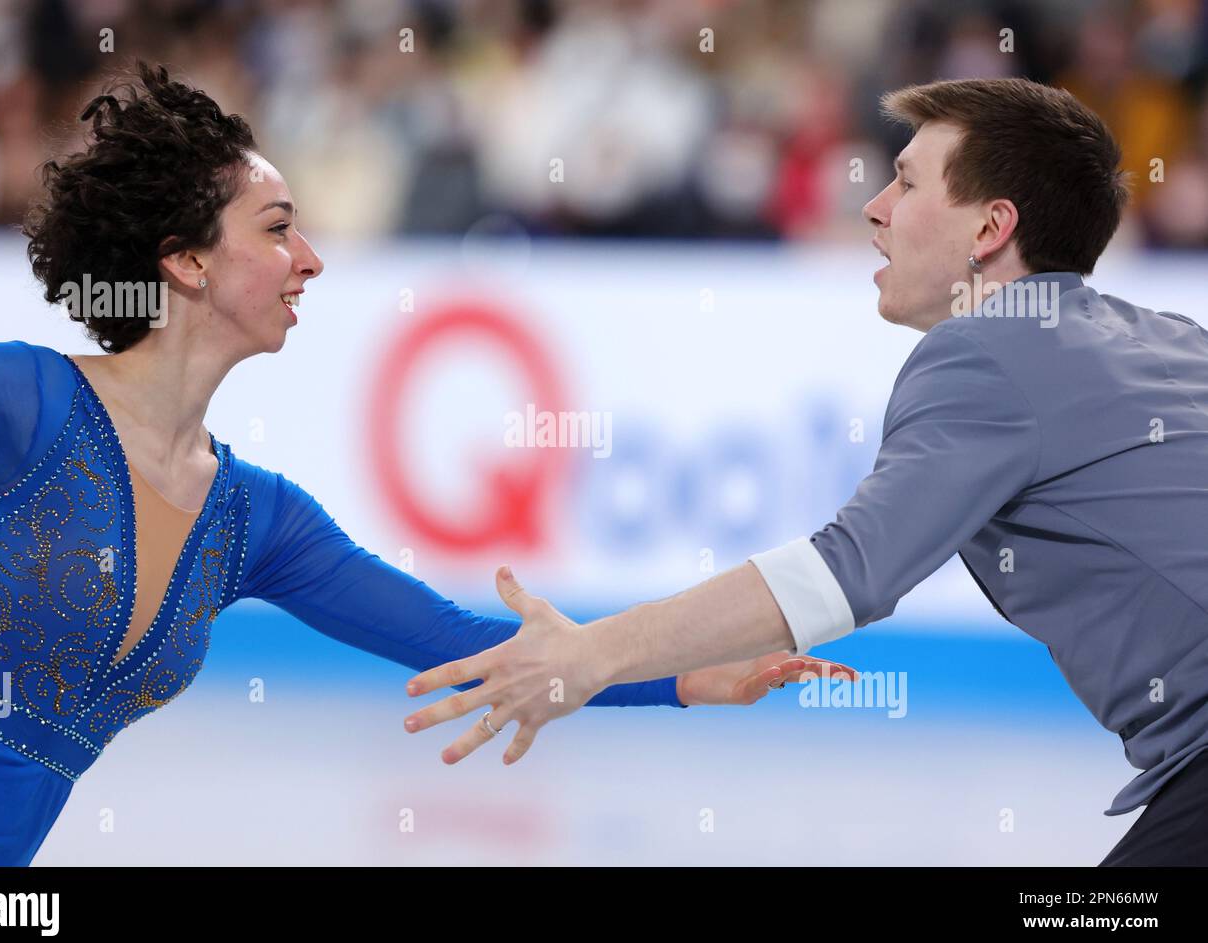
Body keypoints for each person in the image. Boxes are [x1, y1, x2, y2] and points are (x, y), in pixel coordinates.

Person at [0, 61, 855, 867]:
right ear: (188, 263)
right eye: (277, 228)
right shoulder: (14, 399)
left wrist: (690, 679)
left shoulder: (252, 520)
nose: (310, 260)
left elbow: (450, 640)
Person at [405, 77, 1208, 866]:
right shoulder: (1172, 339)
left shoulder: (987, 349)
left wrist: (590, 655)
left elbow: (842, 575)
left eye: (906, 181)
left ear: (991, 228)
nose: (874, 206)